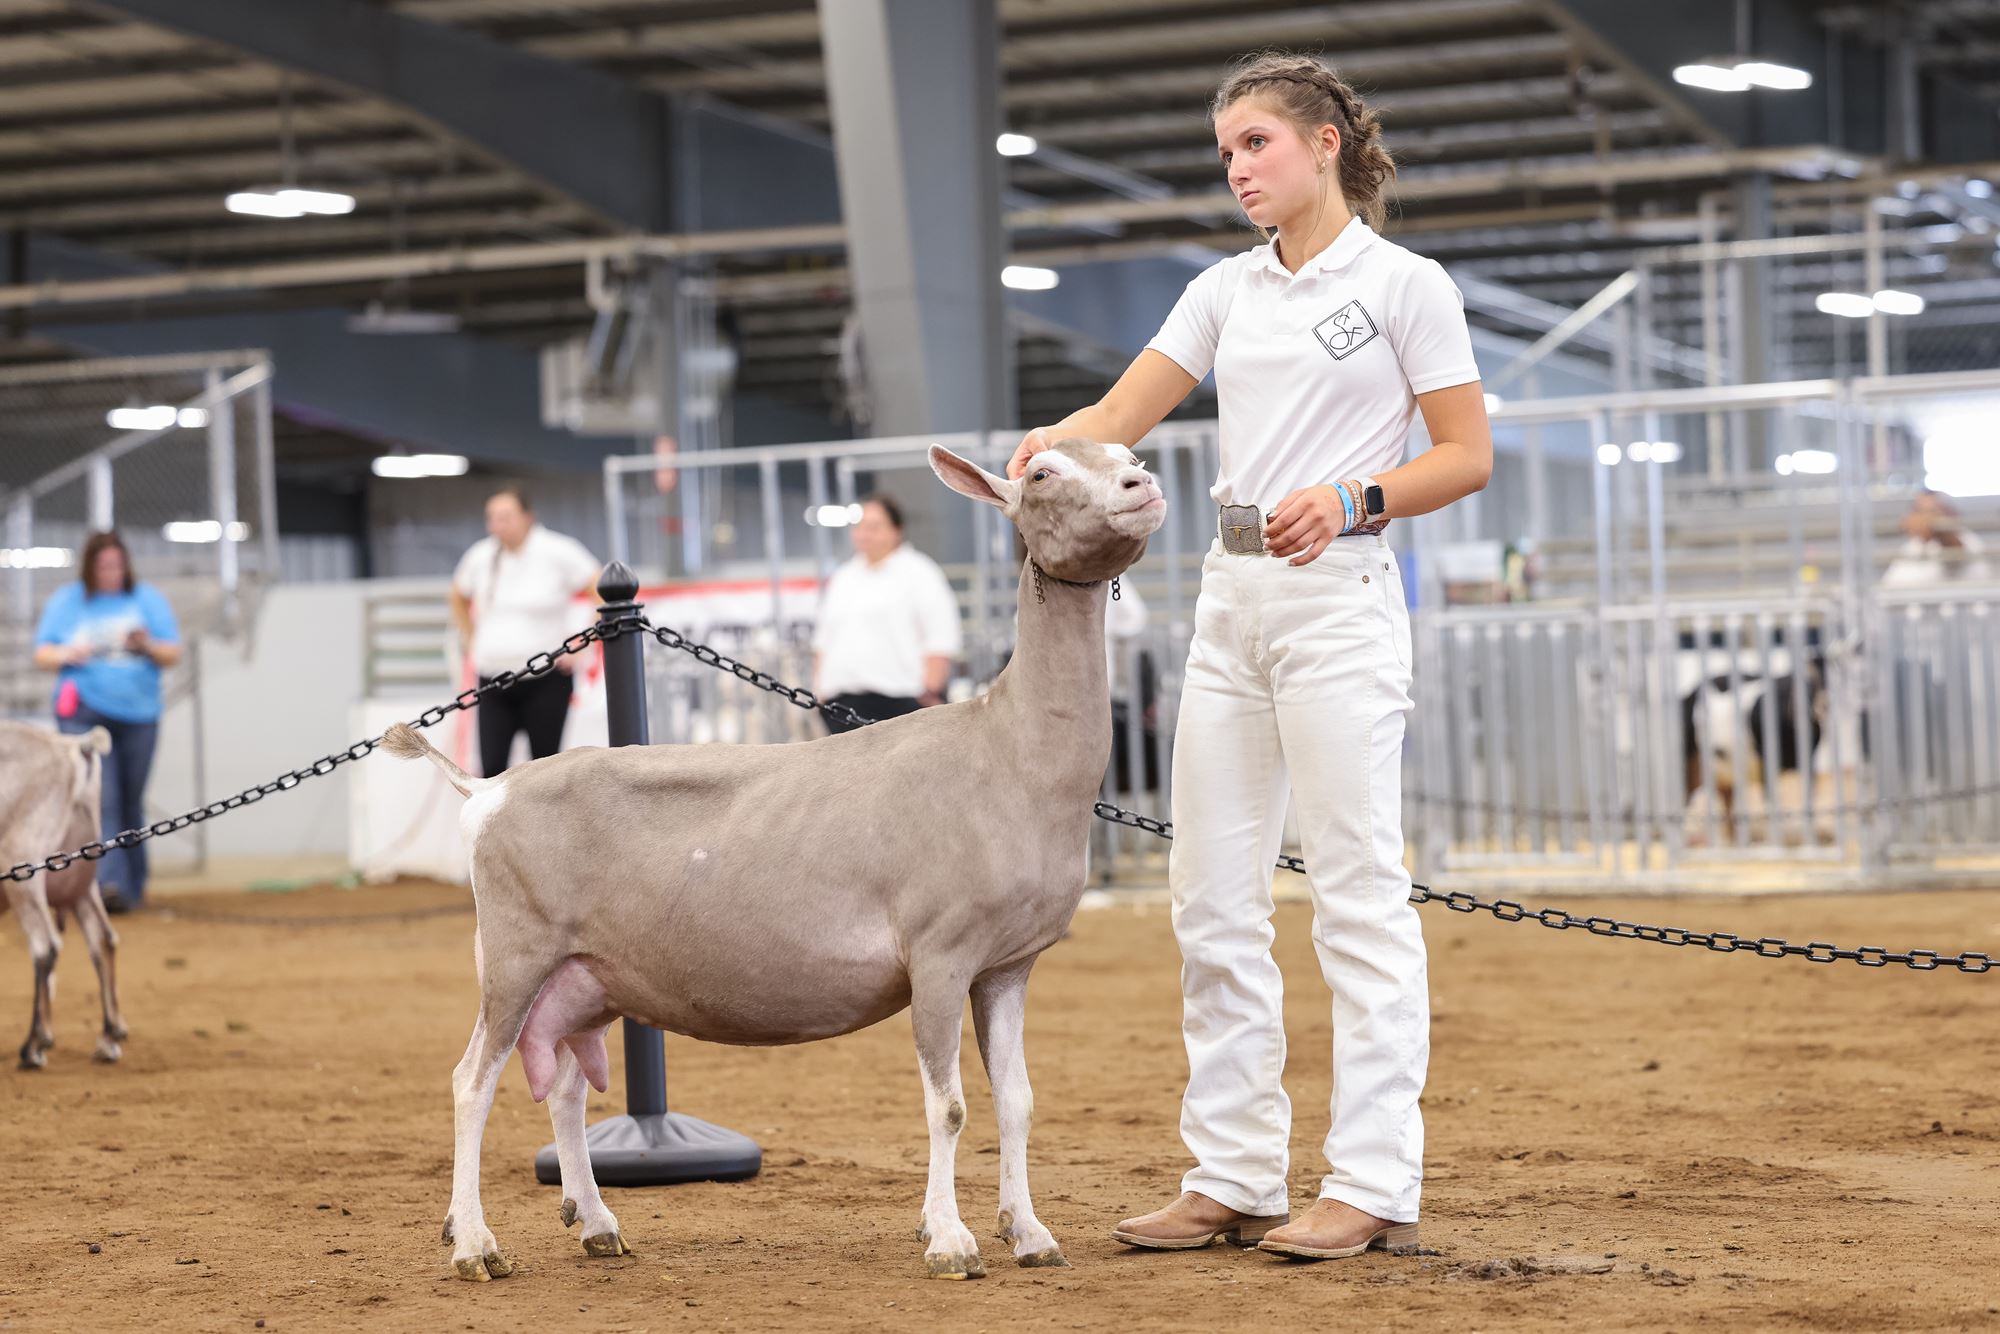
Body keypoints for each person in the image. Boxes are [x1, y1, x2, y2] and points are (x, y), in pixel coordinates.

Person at [1006, 53, 1492, 1261]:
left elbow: (1465, 452)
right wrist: (1050, 444)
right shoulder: (1222, 289)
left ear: (1324, 143)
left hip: (1338, 595)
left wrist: (1357, 494)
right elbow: (1121, 414)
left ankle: (1372, 1179)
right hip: (1226, 600)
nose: (1236, 168)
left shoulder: (1400, 282)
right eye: (1225, 150)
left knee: (1355, 895)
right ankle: (1230, 1170)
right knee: (1209, 901)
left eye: (1255, 144)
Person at [32, 530, 182, 913]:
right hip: (85, 710)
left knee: (131, 801)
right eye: (103, 566)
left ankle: (134, 887)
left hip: (139, 713)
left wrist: (145, 644)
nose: (110, 572)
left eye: (116, 564)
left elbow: (172, 652)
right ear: (90, 568)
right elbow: (43, 653)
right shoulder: (69, 601)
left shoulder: (147, 599)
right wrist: (69, 652)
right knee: (104, 799)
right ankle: (108, 885)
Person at [449, 486, 601, 777]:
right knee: (492, 768)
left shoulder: (557, 550)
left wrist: (584, 643)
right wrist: (470, 638)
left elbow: (600, 587)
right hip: (493, 678)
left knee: (544, 770)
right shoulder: (481, 555)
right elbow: (456, 594)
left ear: (528, 517)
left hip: (544, 677)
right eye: (491, 518)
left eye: (505, 517)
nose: (497, 525)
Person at [812, 495, 961, 734]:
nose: (864, 534)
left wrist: (930, 693)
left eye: (874, 527)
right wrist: (821, 690)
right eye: (859, 527)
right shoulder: (843, 577)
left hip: (901, 702)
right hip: (841, 705)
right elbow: (823, 640)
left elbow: (940, 636)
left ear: (896, 531)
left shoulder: (920, 573)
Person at [1882, 490, 1990, 588]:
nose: (1924, 518)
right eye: (1919, 511)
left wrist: (1938, 526)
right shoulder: (1913, 545)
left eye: (1933, 511)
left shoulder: (1965, 539)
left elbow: (1955, 554)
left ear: (1951, 513)